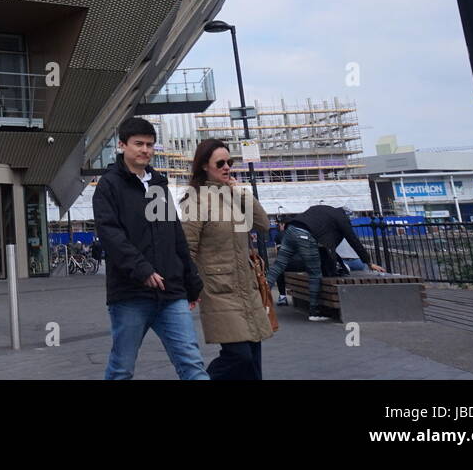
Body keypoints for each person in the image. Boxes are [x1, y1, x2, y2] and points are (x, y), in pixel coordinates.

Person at [93, 117, 208, 380]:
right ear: (122, 145)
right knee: (122, 369)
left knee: (192, 364)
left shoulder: (158, 184)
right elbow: (111, 235)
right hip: (131, 294)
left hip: (171, 293)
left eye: (150, 145)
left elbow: (174, 234)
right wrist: (142, 269)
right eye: (139, 144)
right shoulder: (109, 185)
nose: (145, 150)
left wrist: (192, 282)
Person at [180, 139, 273, 380]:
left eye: (229, 162)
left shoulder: (234, 195)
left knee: (253, 357)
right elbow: (186, 249)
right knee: (239, 356)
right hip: (218, 290)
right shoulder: (196, 201)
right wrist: (190, 287)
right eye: (220, 163)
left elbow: (263, 225)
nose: (227, 167)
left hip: (247, 287)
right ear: (204, 166)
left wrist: (242, 193)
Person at [266, 204, 385, 321]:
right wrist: (368, 262)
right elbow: (353, 239)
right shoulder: (341, 218)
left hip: (291, 230)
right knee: (315, 273)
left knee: (278, 266)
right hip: (305, 235)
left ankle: (263, 302)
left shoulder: (322, 209)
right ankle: (314, 312)